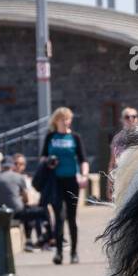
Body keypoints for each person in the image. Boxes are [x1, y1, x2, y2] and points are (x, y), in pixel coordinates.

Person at [39, 106, 89, 264]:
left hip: (72, 181)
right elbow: (42, 158)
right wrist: (49, 161)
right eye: (64, 119)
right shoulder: (50, 137)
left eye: (68, 119)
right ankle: (59, 253)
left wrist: (84, 175)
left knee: (72, 218)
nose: (67, 122)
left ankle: (74, 252)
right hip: (55, 182)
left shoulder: (75, 137)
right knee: (59, 217)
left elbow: (83, 159)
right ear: (57, 120)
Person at [107, 106, 138, 198]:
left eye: (134, 116)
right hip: (122, 179)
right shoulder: (117, 138)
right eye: (127, 117)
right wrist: (110, 185)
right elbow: (112, 163)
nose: (130, 119)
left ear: (137, 119)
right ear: (122, 120)